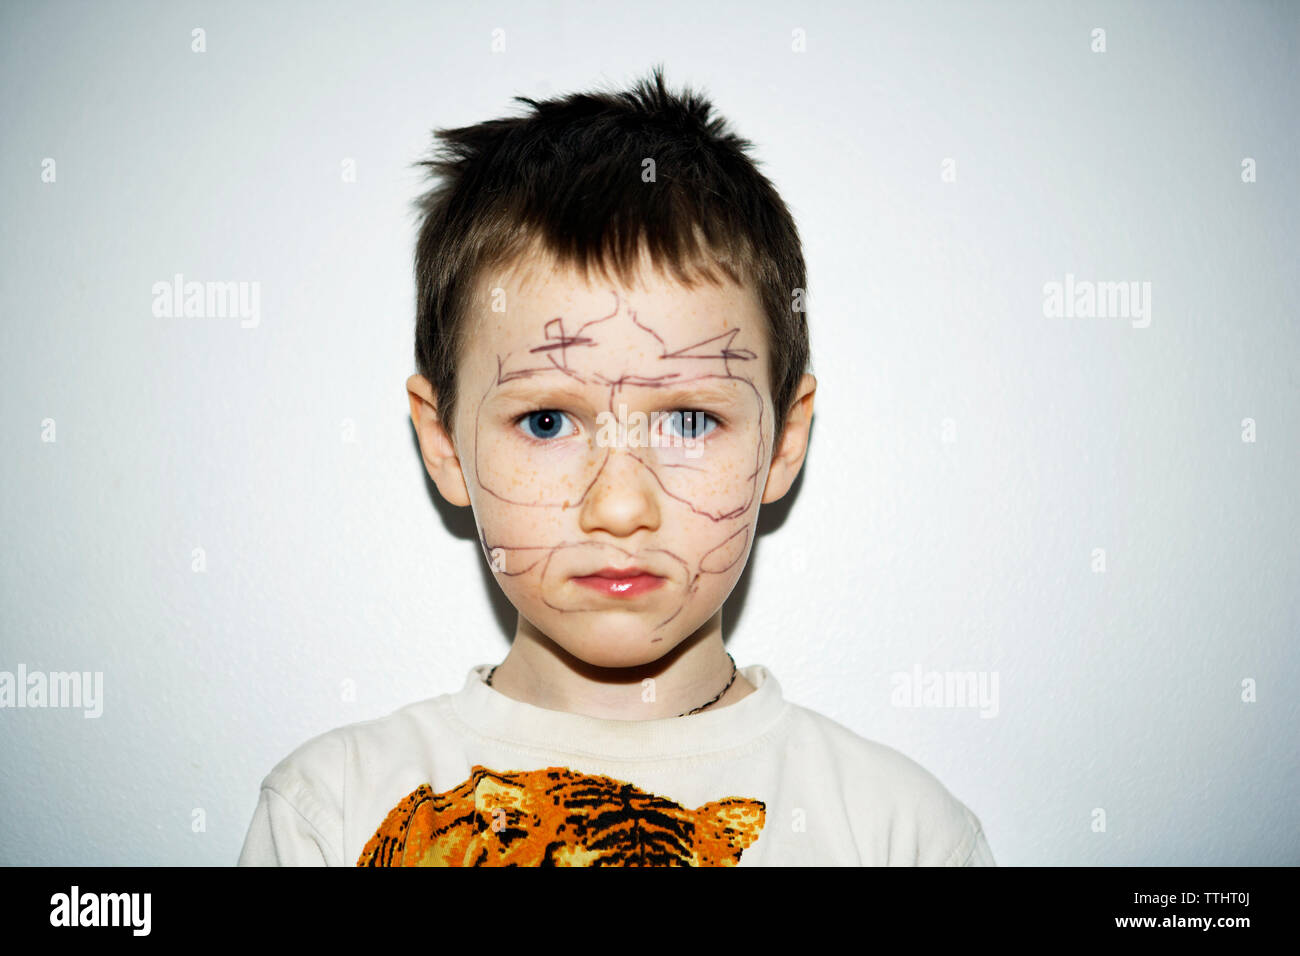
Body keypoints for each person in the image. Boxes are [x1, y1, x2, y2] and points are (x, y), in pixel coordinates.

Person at [237, 66, 995, 866]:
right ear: (443, 446)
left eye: (691, 420)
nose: (621, 506)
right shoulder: (330, 811)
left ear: (783, 442)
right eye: (548, 420)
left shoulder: (900, 836)